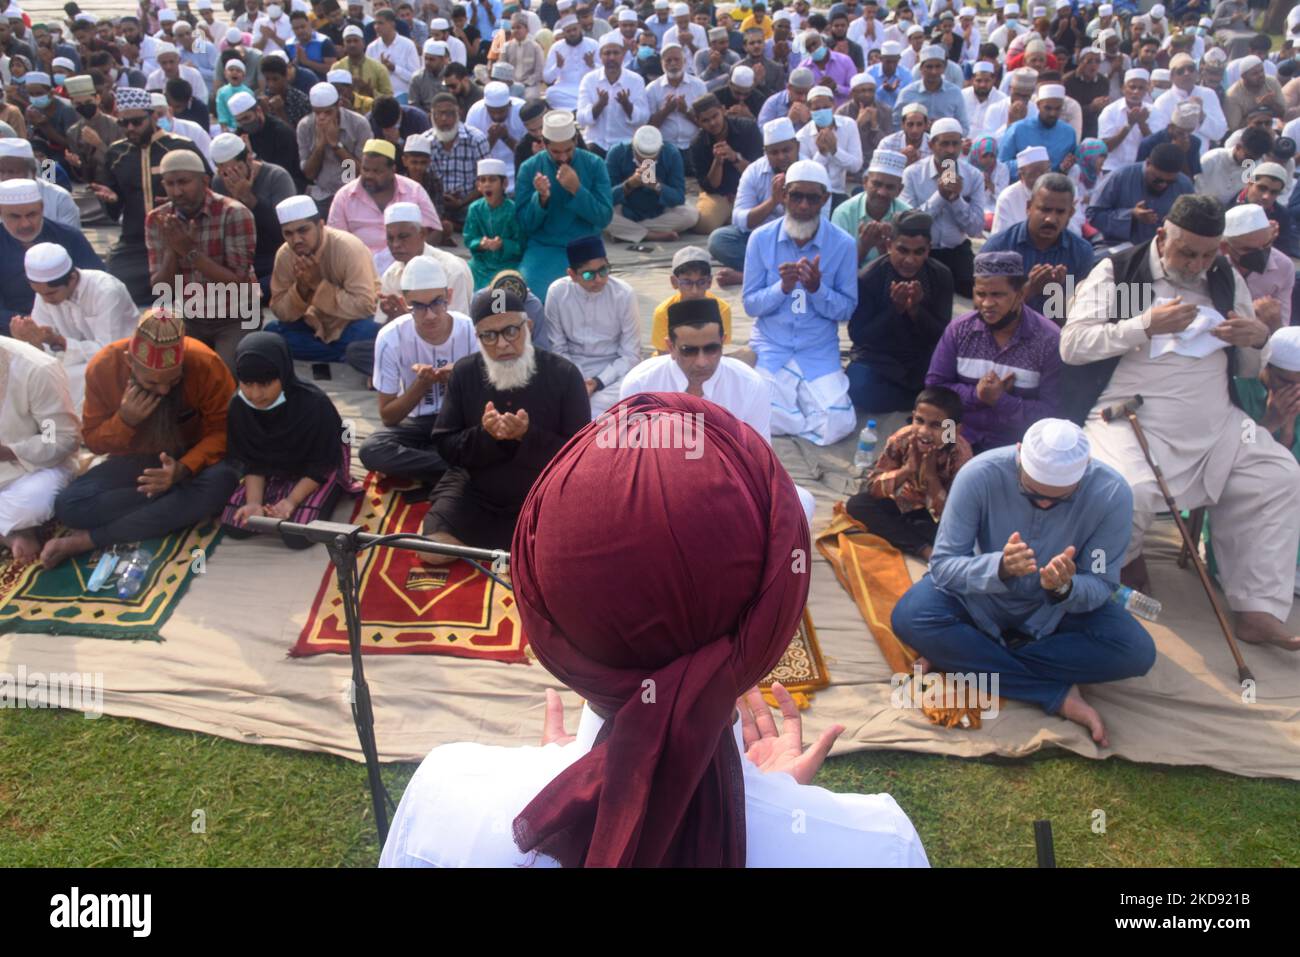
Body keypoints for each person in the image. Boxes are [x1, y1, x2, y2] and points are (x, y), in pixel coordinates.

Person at [383, 386, 929, 868]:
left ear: (537, 599)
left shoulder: (443, 800)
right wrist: (772, 801)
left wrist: (574, 769)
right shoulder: (877, 847)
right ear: (778, 611)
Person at [1061, 193, 1300, 651]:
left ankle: (1258, 608)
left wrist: (1255, 340)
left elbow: (1249, 371)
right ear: (1161, 237)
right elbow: (1072, 345)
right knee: (1126, 491)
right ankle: (1123, 569)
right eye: (1187, 252)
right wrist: (1145, 325)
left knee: (1278, 474)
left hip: (1217, 422)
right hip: (1128, 415)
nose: (1197, 264)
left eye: (1209, 254)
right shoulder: (1119, 272)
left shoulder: (1224, 277)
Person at [892, 417, 1156, 746]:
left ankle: (961, 655)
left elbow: (1102, 584)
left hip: (1056, 610)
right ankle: (1053, 692)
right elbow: (944, 566)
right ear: (1018, 455)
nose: (1044, 504)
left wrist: (1065, 588)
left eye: (1058, 499)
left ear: (1085, 470)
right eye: (1031, 494)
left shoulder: (1112, 493)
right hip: (979, 599)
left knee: (1136, 652)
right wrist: (998, 567)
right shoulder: (980, 475)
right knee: (910, 616)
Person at [42, 309, 241, 569]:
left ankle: (92, 539)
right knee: (70, 505)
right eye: (152, 382)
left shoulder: (204, 362)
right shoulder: (104, 367)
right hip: (138, 460)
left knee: (223, 482)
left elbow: (224, 430)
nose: (163, 390)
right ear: (130, 361)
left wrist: (183, 468)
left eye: (173, 380)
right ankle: (177, 503)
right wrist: (124, 421)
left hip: (194, 461)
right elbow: (93, 442)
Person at [422, 286, 590, 558]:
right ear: (477, 337)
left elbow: (581, 456)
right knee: (432, 552)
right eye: (489, 335)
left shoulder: (564, 374)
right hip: (476, 486)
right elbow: (446, 445)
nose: (501, 344)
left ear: (529, 326)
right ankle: (515, 556)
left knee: (570, 548)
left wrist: (527, 435)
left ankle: (508, 554)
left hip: (540, 488)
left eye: (511, 331)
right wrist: (486, 435)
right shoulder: (465, 372)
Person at [742, 159, 857, 445]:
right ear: (783, 196)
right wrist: (782, 288)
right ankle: (797, 410)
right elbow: (750, 305)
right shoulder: (760, 239)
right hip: (772, 345)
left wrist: (817, 289)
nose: (803, 205)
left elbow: (846, 309)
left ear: (825, 200)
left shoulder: (842, 244)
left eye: (812, 198)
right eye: (796, 196)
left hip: (816, 348)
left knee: (837, 424)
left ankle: (795, 409)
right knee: (753, 415)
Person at [221, 333, 353, 548]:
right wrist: (254, 503)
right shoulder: (240, 406)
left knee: (297, 535)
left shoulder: (314, 405)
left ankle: (330, 491)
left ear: (283, 373)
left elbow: (321, 462)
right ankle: (275, 494)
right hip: (271, 466)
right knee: (235, 523)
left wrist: (291, 501)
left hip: (317, 466)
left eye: (265, 384)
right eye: (247, 383)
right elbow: (251, 460)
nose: (255, 394)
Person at [358, 255, 479, 483]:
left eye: (437, 302)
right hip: (417, 424)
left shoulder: (469, 330)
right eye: (420, 306)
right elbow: (388, 417)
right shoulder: (390, 337)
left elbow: (484, 401)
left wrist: (457, 378)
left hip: (460, 422)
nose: (430, 314)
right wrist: (422, 384)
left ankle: (435, 468)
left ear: (449, 297)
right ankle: (456, 471)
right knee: (372, 449)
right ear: (406, 304)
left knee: (495, 438)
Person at [926, 250, 1062, 453]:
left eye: (997, 295)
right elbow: (935, 388)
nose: (987, 304)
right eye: (981, 294)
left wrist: (1001, 401)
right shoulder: (959, 330)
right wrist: (978, 395)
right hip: (957, 433)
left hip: (1013, 444)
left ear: (1020, 294)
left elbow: (1051, 413)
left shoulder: (1049, 340)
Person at [92, 86, 209, 305]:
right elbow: (113, 209)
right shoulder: (117, 154)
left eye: (137, 122)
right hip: (136, 242)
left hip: (184, 235)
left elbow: (207, 190)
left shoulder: (180, 147)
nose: (130, 128)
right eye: (124, 123)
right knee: (114, 292)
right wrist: (110, 200)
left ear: (153, 116)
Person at [145, 150, 258, 372]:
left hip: (236, 314)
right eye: (170, 184)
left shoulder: (234, 213)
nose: (177, 191)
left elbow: (238, 282)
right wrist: (172, 249)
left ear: (204, 181)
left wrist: (189, 251)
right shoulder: (157, 219)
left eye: (184, 182)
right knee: (167, 372)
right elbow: (161, 287)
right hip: (189, 315)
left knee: (223, 376)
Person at [845, 386, 972, 559]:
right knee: (857, 504)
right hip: (902, 503)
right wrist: (907, 470)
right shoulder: (902, 439)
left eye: (936, 425)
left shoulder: (961, 455)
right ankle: (923, 549)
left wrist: (931, 476)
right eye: (919, 421)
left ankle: (907, 537)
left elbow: (954, 512)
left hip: (933, 516)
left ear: (954, 430)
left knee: (956, 536)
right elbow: (873, 486)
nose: (924, 431)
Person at [11, 244, 137, 412]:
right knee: (24, 375)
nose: (46, 300)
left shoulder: (106, 291)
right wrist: (30, 340)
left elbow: (110, 352)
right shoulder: (45, 293)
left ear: (71, 278)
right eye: (40, 294)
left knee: (69, 380)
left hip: (121, 363)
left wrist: (59, 342)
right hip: (72, 364)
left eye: (51, 294)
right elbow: (46, 352)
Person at [849, 209, 953, 414]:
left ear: (928, 250)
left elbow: (944, 335)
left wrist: (916, 311)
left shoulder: (941, 275)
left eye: (918, 252)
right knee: (858, 385)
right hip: (879, 359)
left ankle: (917, 400)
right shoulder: (869, 277)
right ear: (889, 246)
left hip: (921, 358)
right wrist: (894, 310)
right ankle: (918, 402)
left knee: (950, 382)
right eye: (903, 250)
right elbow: (859, 336)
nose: (910, 260)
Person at [267, 195, 381, 362]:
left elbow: (364, 306)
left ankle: (340, 352)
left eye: (303, 230)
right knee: (271, 334)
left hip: (350, 324)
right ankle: (343, 355)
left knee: (372, 329)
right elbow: (280, 311)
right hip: (312, 325)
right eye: (288, 233)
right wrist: (301, 288)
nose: (296, 239)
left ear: (321, 225)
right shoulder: (285, 255)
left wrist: (317, 284)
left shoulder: (348, 247)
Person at [516, 110, 613, 303]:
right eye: (556, 152)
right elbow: (524, 225)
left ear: (576, 140)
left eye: (568, 150)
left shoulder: (594, 164)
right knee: (529, 298)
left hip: (586, 245)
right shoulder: (529, 168)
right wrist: (541, 198)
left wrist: (577, 190)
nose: (563, 157)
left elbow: (604, 217)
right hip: (544, 247)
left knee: (593, 297)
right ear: (544, 144)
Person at [0, 335, 80, 564]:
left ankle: (17, 529)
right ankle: (12, 536)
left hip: (30, 471)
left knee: (32, 504)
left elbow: (61, 438)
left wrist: (7, 451)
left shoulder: (35, 369)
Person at [544, 235, 641, 418]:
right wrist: (578, 381)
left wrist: (597, 382)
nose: (598, 279)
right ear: (572, 275)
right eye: (589, 274)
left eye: (603, 271)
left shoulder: (624, 294)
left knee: (630, 391)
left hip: (614, 372)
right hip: (571, 369)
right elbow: (558, 348)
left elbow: (630, 354)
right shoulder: (557, 293)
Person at [982, 172, 1095, 318]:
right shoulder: (998, 248)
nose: (1050, 219)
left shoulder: (1082, 252)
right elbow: (984, 311)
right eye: (1045, 209)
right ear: (1029, 207)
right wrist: (1030, 289)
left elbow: (1079, 315)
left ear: (1071, 213)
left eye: (1060, 212)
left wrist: (1057, 295)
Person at [0, 178, 102, 334]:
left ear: (42, 207)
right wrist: (28, 326)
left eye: (32, 214)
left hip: (73, 329)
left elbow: (97, 288)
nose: (25, 224)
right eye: (15, 217)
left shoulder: (69, 237)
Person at [900, 116, 984, 298]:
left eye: (955, 144)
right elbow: (908, 224)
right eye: (945, 144)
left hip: (956, 250)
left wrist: (956, 201)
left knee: (979, 291)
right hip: (923, 252)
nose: (951, 150)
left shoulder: (974, 176)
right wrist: (940, 197)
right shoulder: (912, 174)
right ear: (931, 145)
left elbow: (976, 228)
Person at [209, 132, 296, 299]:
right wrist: (234, 201)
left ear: (249, 159)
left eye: (237, 170)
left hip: (275, 258)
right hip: (241, 262)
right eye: (225, 173)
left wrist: (250, 199)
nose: (232, 178)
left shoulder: (276, 177)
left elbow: (286, 231)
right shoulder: (219, 182)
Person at [326, 137, 442, 254]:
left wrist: (415, 256)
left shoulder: (414, 191)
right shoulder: (344, 196)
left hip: (406, 263)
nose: (369, 175)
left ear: (392, 170)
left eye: (377, 171)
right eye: (365, 169)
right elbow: (335, 240)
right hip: (361, 265)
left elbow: (436, 231)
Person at [606, 124, 699, 244]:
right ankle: (650, 235)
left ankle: (627, 232)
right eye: (641, 157)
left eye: (651, 158)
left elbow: (679, 197)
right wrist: (629, 185)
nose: (646, 161)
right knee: (600, 215)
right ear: (633, 148)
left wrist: (657, 186)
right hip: (626, 209)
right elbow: (606, 197)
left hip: (660, 210)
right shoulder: (617, 153)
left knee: (691, 215)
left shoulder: (671, 154)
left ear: (660, 149)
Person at [1086, 145, 1193, 246]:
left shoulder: (1184, 185)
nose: (1163, 185)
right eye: (1158, 180)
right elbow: (1093, 215)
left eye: (1170, 182)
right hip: (1115, 245)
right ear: (1148, 163)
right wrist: (1131, 215)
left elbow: (1190, 223)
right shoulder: (1120, 177)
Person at [690, 92, 764, 235]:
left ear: (723, 110)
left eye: (715, 116)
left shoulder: (747, 128)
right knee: (704, 224)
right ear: (698, 122)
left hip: (752, 190)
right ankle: (732, 217)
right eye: (705, 120)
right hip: (721, 195)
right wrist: (717, 163)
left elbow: (759, 171)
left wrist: (734, 158)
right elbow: (709, 187)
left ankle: (733, 217)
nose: (712, 123)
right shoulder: (698, 144)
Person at [298, 81, 370, 218]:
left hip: (352, 192)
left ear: (339, 105)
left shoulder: (358, 124)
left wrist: (336, 146)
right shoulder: (305, 126)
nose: (322, 117)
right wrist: (320, 146)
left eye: (327, 112)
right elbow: (310, 174)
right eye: (318, 112)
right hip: (321, 194)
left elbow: (359, 172)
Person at [831, 148, 909, 266]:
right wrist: (864, 246)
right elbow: (837, 266)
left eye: (889, 187)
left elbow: (908, 266)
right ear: (865, 182)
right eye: (877, 184)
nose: (881, 192)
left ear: (899, 190)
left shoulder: (906, 214)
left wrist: (884, 248)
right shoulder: (843, 213)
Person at [576, 34, 650, 158]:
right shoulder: (589, 80)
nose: (611, 57)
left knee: (647, 170)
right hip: (596, 144)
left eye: (616, 53)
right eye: (607, 53)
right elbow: (581, 119)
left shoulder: (636, 80)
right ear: (600, 56)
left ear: (623, 55)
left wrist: (627, 105)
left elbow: (644, 118)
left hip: (626, 144)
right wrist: (599, 105)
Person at [427, 91, 490, 236]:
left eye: (449, 114)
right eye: (439, 114)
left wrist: (461, 202)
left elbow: (487, 181)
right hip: (436, 206)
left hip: (469, 203)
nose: (444, 119)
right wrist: (439, 199)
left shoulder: (476, 139)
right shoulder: (426, 142)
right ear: (431, 115)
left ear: (459, 113)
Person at [1222, 203, 1293, 332]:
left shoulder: (1284, 266)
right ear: (1225, 247)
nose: (1260, 254)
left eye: (1266, 245)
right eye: (1249, 249)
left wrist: (1274, 321)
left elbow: (1282, 330)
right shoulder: (1212, 262)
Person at [650, 245, 733, 349]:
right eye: (687, 282)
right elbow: (663, 354)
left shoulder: (721, 309)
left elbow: (717, 351)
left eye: (701, 282)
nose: (694, 291)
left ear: (709, 282)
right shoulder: (663, 312)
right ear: (674, 282)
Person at [796, 84, 863, 207]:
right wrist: (822, 153)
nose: (822, 111)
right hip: (813, 193)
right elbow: (806, 174)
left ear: (833, 106)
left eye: (826, 107)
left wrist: (835, 151)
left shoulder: (848, 125)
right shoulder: (802, 136)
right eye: (816, 108)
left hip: (840, 192)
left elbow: (856, 166)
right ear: (809, 110)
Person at [463, 158, 523, 291]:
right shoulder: (475, 208)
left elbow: (521, 244)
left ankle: (499, 310)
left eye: (492, 180)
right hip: (481, 265)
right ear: (478, 185)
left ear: (504, 184)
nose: (487, 185)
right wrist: (481, 243)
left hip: (508, 264)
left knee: (502, 296)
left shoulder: (513, 210)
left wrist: (503, 244)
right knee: (464, 279)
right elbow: (469, 238)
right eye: (483, 180)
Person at [998, 82, 1076, 178]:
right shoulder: (1017, 129)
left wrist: (1064, 168)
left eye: (1057, 109)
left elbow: (1071, 166)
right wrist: (1029, 165)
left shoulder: (1069, 133)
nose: (1053, 113)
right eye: (1048, 108)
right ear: (1038, 105)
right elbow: (1001, 165)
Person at [0, 139, 78, 231]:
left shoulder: (59, 198)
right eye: (0, 171)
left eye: (12, 172)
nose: (4, 178)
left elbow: (70, 239)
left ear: (32, 173)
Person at [893, 44, 967, 129]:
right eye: (929, 67)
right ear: (921, 68)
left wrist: (943, 127)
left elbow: (964, 126)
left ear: (944, 68)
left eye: (938, 66)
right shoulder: (907, 93)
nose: (934, 71)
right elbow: (896, 124)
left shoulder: (955, 93)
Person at [1196, 125, 1272, 206]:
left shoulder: (1257, 168)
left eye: (1255, 159)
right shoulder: (1212, 159)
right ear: (1238, 147)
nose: (1250, 162)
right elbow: (1195, 189)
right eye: (1248, 157)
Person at [1097, 67, 1152, 174]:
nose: (1136, 92)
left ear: (1147, 90)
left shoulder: (1154, 111)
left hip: (1142, 170)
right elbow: (1105, 147)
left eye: (1141, 88)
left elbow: (1156, 146)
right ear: (1123, 88)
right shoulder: (1110, 111)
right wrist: (1128, 125)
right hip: (1112, 169)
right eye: (1132, 87)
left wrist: (1142, 124)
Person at [990, 144, 1051, 234]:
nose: (1041, 178)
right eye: (1035, 173)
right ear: (1021, 176)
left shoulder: (1060, 194)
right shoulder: (1008, 197)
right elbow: (1000, 238)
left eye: (1044, 172)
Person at [542, 15, 599, 111]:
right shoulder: (556, 48)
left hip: (588, 86)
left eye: (574, 29)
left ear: (580, 28)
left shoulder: (593, 44)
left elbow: (604, 72)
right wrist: (558, 67)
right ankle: (580, 108)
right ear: (563, 33)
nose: (572, 33)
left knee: (599, 93)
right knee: (550, 93)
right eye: (568, 31)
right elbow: (547, 79)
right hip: (565, 88)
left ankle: (572, 110)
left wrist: (592, 64)